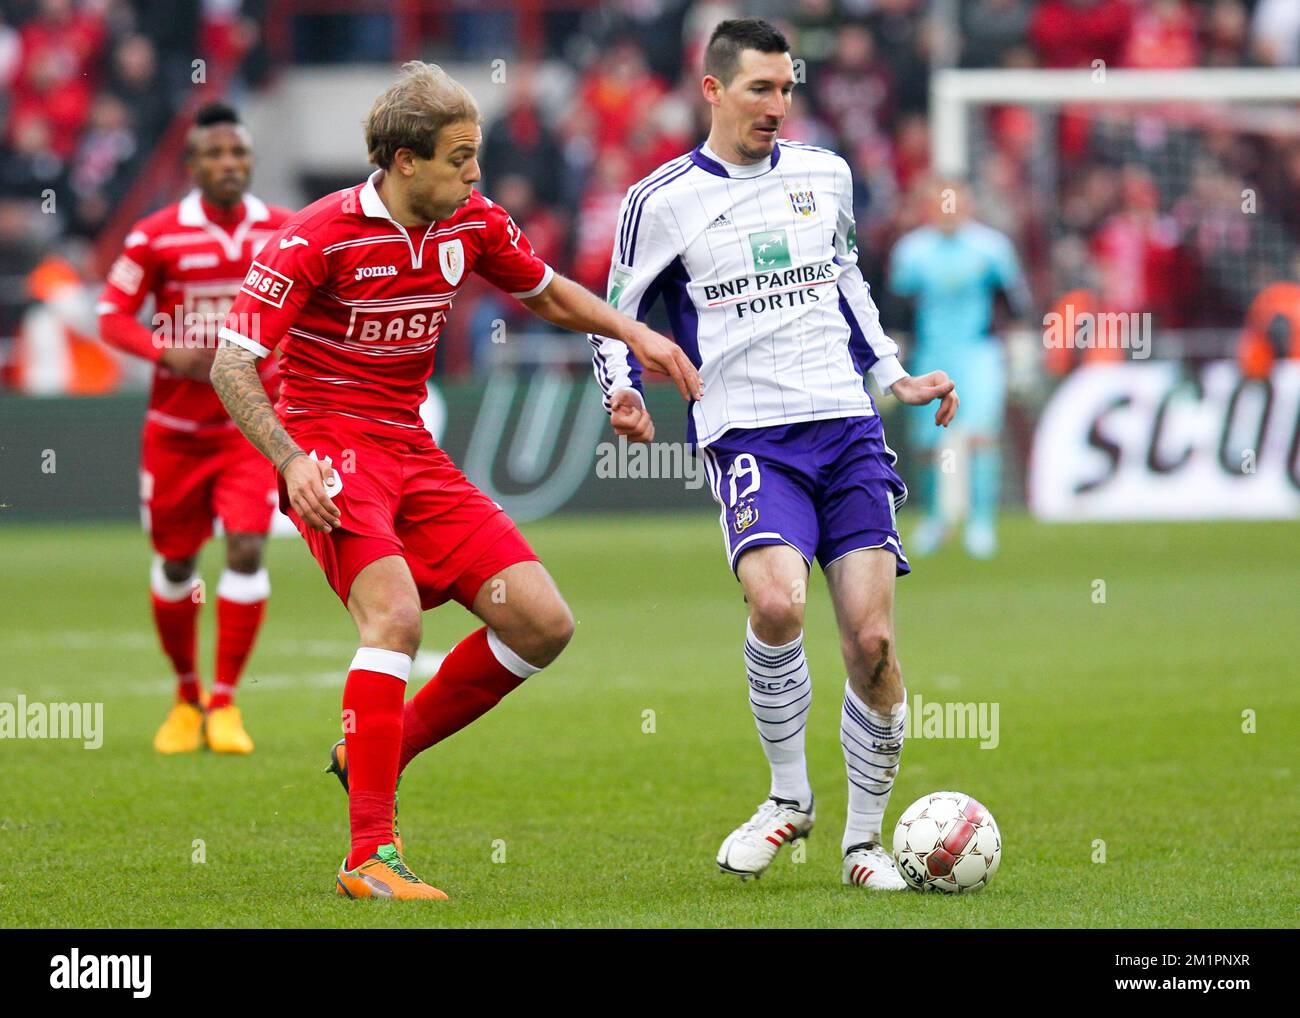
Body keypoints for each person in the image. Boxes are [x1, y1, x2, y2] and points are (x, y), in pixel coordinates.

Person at [211, 62, 700, 901]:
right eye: (459, 156)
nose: (476, 172)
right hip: (334, 445)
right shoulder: (314, 236)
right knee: (393, 618)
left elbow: (545, 295)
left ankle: (377, 742)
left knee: (543, 622)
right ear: (406, 161)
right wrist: (290, 460)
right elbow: (232, 361)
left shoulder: (470, 221)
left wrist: (635, 336)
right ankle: (369, 854)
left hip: (411, 447)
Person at [588, 19, 958, 891]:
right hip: (749, 434)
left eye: (787, 88)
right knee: (778, 602)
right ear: (712, 89)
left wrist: (894, 374)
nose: (777, 106)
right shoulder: (660, 198)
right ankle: (788, 798)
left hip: (845, 425)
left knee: (871, 642)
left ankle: (864, 846)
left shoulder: (825, 173)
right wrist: (624, 388)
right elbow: (613, 312)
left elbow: (847, 279)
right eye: (760, 89)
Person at [97, 102, 293, 755]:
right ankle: (186, 696)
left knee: (245, 549)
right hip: (176, 429)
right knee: (177, 563)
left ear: (250, 160)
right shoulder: (156, 235)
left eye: (238, 153)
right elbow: (111, 315)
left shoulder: (283, 230)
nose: (229, 164)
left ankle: (226, 704)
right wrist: (164, 351)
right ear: (192, 165)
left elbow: (314, 306)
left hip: (248, 427)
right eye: (214, 154)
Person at [889, 178, 1028, 557]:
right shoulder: (912, 252)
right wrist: (892, 362)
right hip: (930, 354)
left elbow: (1015, 303)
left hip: (978, 354)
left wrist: (1019, 357)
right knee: (927, 445)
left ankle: (981, 523)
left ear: (968, 206)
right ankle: (936, 520)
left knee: (981, 436)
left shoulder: (991, 248)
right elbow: (897, 312)